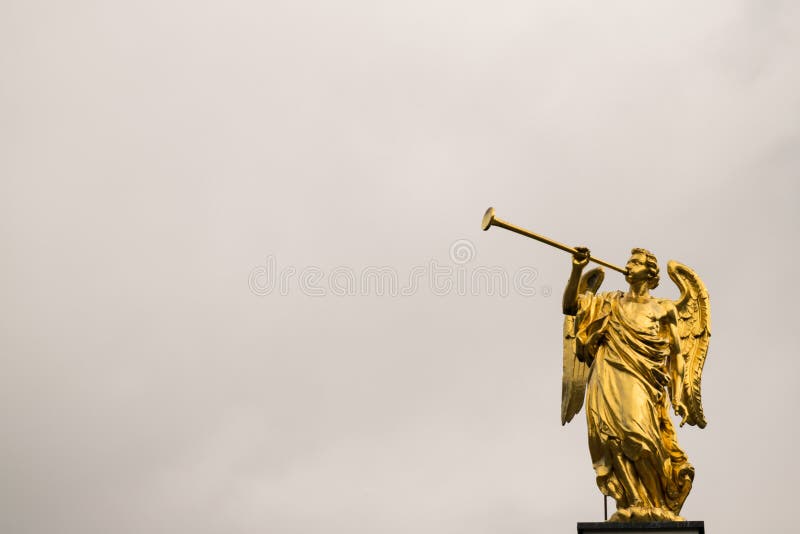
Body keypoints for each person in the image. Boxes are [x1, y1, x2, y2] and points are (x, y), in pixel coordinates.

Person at [562, 247, 694, 522]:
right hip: (607, 372)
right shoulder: (610, 302)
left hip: (643, 377)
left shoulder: (664, 308)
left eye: (635, 262)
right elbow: (570, 306)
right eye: (629, 261)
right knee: (611, 437)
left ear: (650, 272)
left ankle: (657, 502)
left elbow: (678, 355)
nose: (628, 265)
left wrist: (679, 394)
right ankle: (632, 501)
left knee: (641, 438)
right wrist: (577, 269)